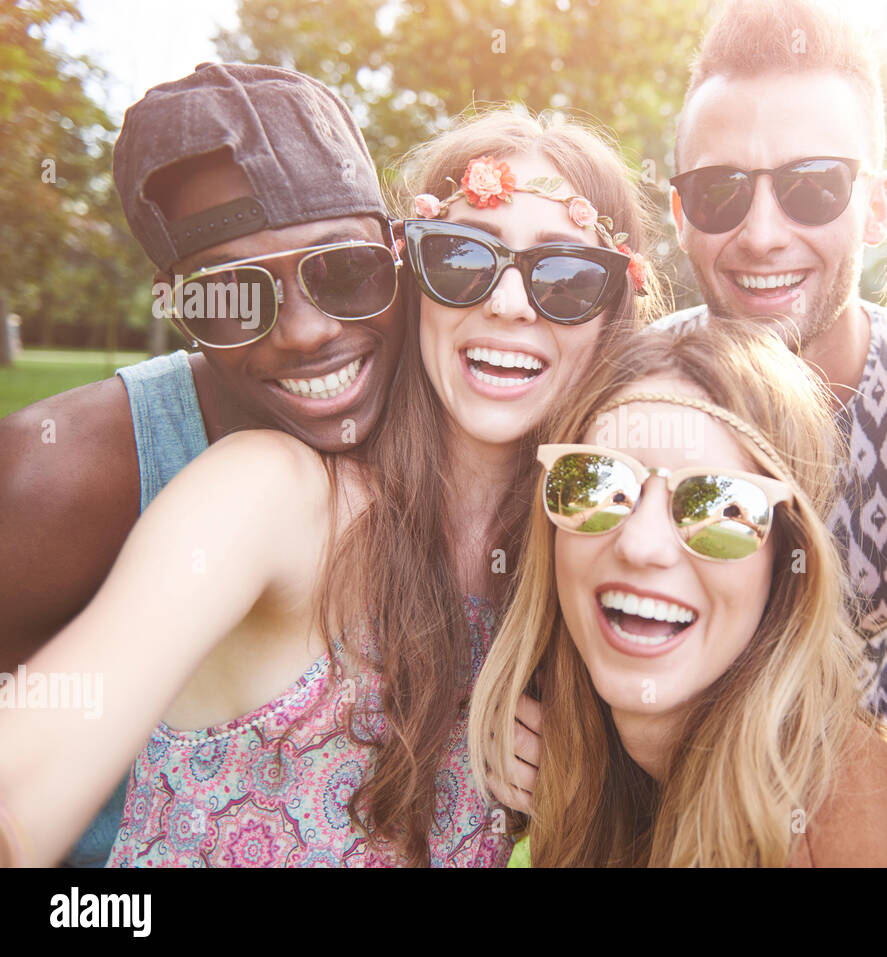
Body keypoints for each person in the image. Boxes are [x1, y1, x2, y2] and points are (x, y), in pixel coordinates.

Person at [0, 108, 662, 868]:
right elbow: (23, 783)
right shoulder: (272, 498)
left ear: (614, 313)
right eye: (460, 259)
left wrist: (589, 773)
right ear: (408, 278)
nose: (508, 303)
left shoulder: (579, 577)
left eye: (568, 277)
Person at [0, 62, 406, 866]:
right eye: (235, 295)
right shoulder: (59, 477)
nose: (303, 331)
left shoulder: (452, 417)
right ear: (178, 304)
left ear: (397, 255)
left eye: (344, 270)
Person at [470, 321, 887, 866]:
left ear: (787, 561)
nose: (641, 545)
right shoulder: (607, 768)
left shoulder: (843, 839)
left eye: (720, 507)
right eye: (599, 482)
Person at [652, 0, 887, 770]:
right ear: (680, 213)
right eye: (720, 191)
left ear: (876, 207)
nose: (762, 233)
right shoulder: (638, 392)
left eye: (815, 186)